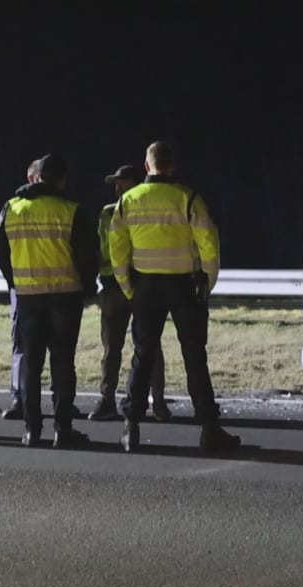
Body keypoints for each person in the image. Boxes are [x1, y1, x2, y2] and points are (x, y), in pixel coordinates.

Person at [109, 141, 239, 452]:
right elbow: (209, 243)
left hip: (145, 287)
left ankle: (131, 428)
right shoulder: (188, 198)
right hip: (184, 286)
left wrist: (128, 287)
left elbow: (117, 249)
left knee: (143, 355)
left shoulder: (128, 200)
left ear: (147, 166)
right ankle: (209, 428)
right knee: (195, 356)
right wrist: (207, 283)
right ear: (173, 166)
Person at [0, 154, 97, 448]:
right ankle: (62, 430)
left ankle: (31, 430)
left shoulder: (10, 208)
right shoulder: (72, 211)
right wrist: (88, 287)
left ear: (36, 177)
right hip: (65, 297)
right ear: (61, 179)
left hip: (28, 298)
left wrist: (15, 281)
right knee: (63, 363)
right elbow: (89, 255)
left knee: (30, 364)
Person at [89, 165, 171, 422]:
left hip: (136, 285)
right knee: (115, 347)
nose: (116, 188)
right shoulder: (108, 212)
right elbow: (101, 248)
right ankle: (111, 399)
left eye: (121, 183)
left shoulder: (130, 211)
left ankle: (155, 400)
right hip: (119, 286)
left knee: (147, 345)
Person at [1, 159, 41, 422]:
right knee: (22, 345)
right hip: (28, 289)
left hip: (36, 289)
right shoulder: (14, 206)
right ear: (31, 178)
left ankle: (48, 400)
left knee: (48, 349)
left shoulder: (13, 207)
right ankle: (19, 397)